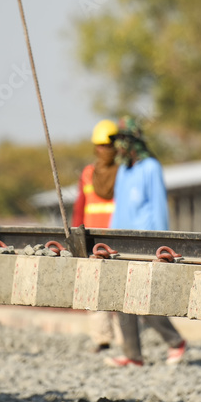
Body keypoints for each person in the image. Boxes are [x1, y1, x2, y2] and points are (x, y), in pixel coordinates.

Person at [105, 116, 186, 367]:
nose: (118, 147)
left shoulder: (151, 167)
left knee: (141, 298)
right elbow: (119, 209)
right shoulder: (123, 171)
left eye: (122, 141)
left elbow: (159, 207)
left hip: (146, 243)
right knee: (121, 299)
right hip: (122, 244)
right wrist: (108, 242)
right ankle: (133, 355)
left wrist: (163, 245)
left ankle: (175, 342)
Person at [72, 119, 121, 353]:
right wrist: (74, 235)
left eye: (107, 145)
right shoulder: (88, 173)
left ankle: (127, 340)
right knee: (93, 290)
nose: (104, 150)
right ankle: (102, 338)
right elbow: (80, 206)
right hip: (93, 241)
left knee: (122, 290)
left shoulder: (124, 172)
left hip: (120, 240)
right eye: (100, 146)